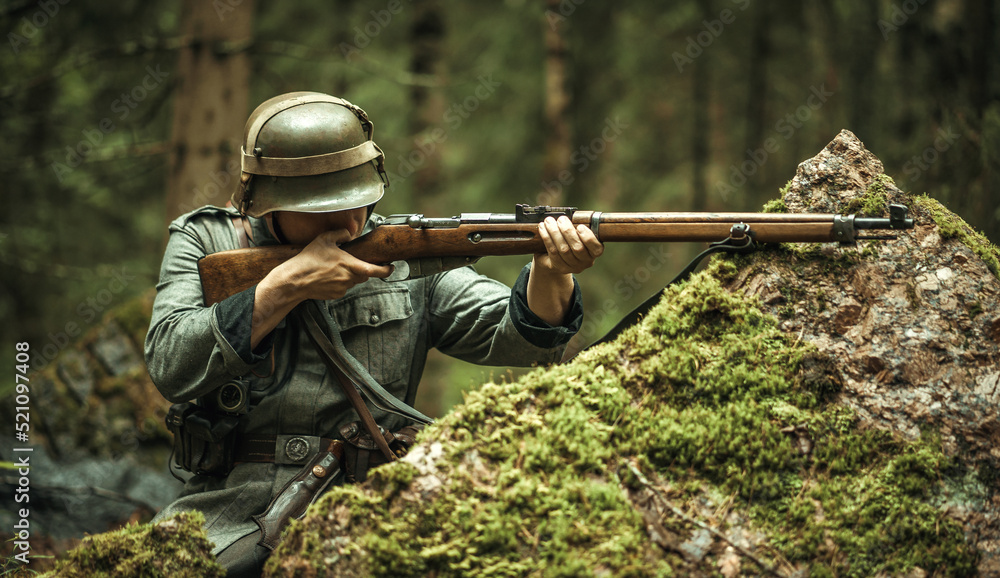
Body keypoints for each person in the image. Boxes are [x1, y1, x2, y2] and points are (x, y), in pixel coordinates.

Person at [144, 91, 602, 576]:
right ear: (267, 203)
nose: (349, 222)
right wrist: (282, 289)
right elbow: (171, 363)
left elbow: (521, 339)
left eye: (358, 202)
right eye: (322, 208)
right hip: (229, 509)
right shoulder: (206, 239)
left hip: (378, 503)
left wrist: (552, 272)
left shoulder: (399, 249)